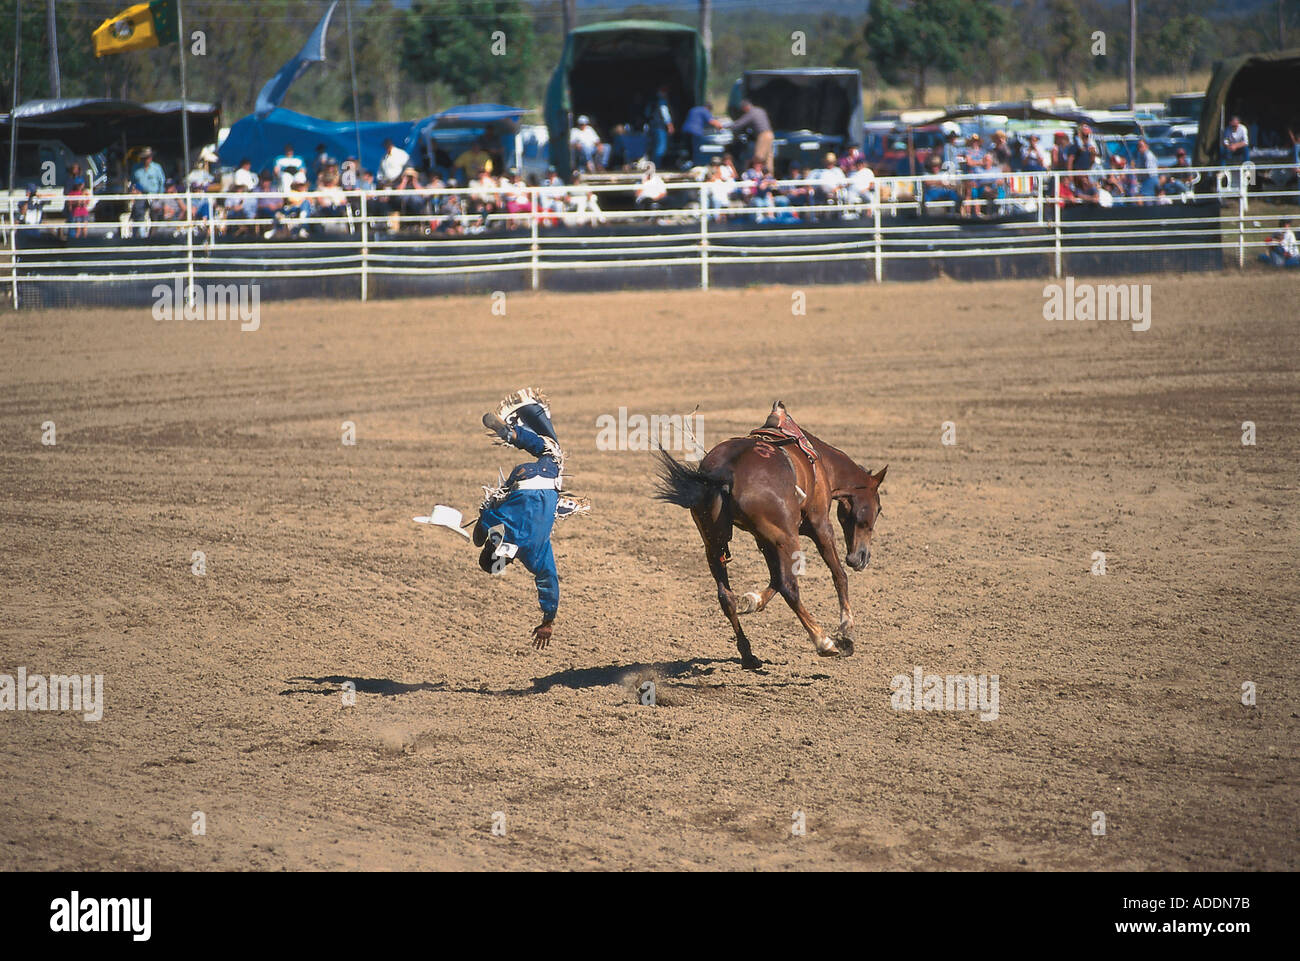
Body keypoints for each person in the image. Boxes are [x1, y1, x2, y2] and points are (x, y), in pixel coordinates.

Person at [475, 389, 586, 649]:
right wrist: (480, 535)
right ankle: (513, 434)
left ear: (508, 560)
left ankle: (554, 500)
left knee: (555, 453)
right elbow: (483, 524)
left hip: (546, 484)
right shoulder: (498, 524)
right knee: (549, 451)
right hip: (522, 477)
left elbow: (549, 582)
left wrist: (549, 620)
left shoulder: (534, 555)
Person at [716, 99, 774, 174]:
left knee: (759, 157)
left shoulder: (751, 113)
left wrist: (724, 126)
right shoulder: (760, 110)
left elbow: (740, 124)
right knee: (768, 158)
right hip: (770, 134)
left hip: (762, 135)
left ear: (745, 107)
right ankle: (770, 175)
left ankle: (757, 175)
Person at [648, 85, 674, 169]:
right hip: (660, 127)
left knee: (654, 147)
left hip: (653, 127)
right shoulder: (662, 101)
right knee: (661, 148)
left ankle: (652, 165)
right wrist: (670, 125)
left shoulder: (652, 102)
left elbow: (647, 113)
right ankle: (656, 166)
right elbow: (665, 113)